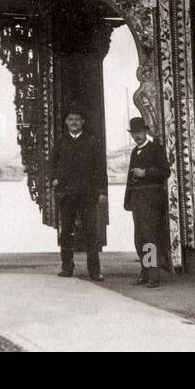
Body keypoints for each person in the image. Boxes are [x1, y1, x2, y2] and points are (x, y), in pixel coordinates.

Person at [49, 104, 107, 281]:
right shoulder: (60, 143)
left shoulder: (92, 141)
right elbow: (51, 165)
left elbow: (100, 168)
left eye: (77, 119)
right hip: (67, 195)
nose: (74, 122)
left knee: (91, 232)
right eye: (70, 119)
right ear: (66, 122)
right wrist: (55, 179)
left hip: (87, 194)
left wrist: (102, 191)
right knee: (66, 231)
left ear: (83, 122)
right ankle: (67, 267)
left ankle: (94, 271)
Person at [124, 116, 170, 287]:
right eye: (134, 133)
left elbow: (165, 171)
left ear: (145, 131)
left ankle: (153, 276)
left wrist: (146, 172)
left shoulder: (156, 149)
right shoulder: (135, 152)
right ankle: (145, 271)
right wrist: (128, 200)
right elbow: (130, 179)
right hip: (137, 201)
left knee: (150, 238)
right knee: (139, 238)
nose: (137, 136)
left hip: (151, 201)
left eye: (140, 132)